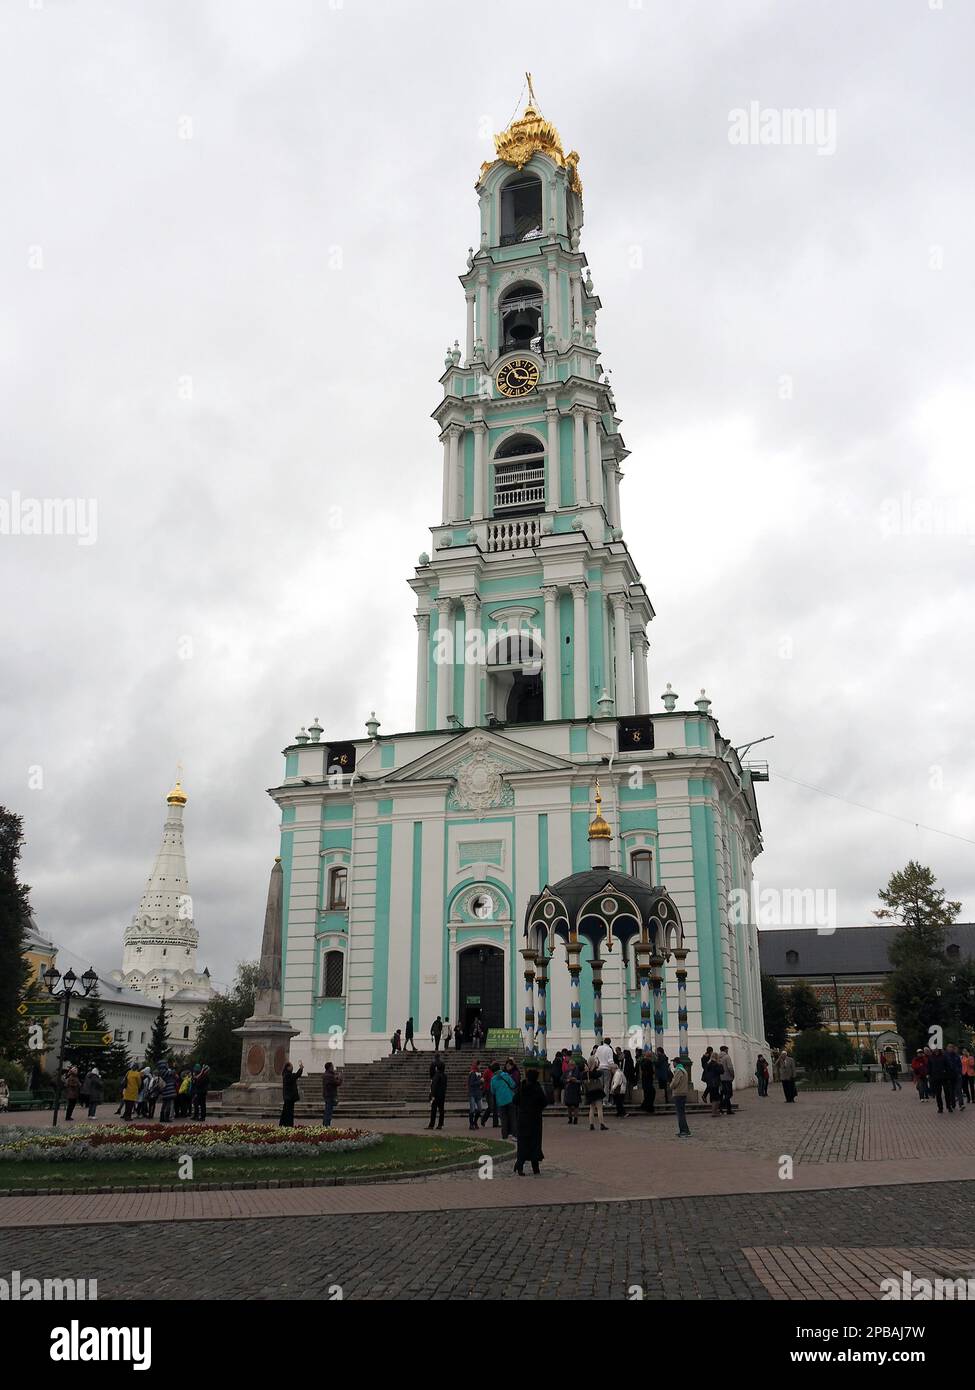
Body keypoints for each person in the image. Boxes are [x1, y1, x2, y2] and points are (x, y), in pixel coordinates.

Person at [513, 1067, 549, 1175]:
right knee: (535, 1143)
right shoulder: (537, 1088)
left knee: (523, 1142)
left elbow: (515, 1100)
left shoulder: (522, 1087)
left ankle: (520, 1165)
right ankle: (535, 1167)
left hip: (523, 1119)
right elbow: (544, 1102)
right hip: (535, 1119)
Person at [491, 1063, 518, 1139]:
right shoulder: (506, 1075)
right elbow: (513, 1085)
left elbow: (492, 1091)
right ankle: (515, 1135)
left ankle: (504, 1135)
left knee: (503, 1119)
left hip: (500, 1101)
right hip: (510, 1099)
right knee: (513, 1117)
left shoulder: (493, 1079)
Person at [586, 1054, 608, 1131]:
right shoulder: (595, 1072)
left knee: (591, 1108)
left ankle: (591, 1124)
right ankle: (601, 1124)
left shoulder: (587, 1073)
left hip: (590, 1091)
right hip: (596, 1091)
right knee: (599, 1108)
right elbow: (599, 1073)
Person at [671, 1055, 691, 1137]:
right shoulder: (684, 1070)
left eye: (673, 1062)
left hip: (678, 1093)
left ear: (676, 1062)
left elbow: (675, 1083)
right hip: (683, 1093)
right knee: (681, 1113)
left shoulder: (678, 1071)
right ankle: (685, 1130)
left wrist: (670, 1085)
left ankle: (683, 1130)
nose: (673, 1064)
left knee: (680, 1114)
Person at [279, 1060, 303, 1127]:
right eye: (291, 1066)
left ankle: (283, 1124)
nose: (292, 1067)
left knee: (286, 1111)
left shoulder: (286, 1074)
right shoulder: (287, 1075)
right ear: (288, 1067)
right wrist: (300, 1068)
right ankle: (287, 1124)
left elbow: (295, 1076)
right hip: (289, 1096)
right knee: (288, 1112)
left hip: (288, 1096)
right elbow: (296, 1075)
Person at [928, 1047, 951, 1113]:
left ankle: (949, 1106)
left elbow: (948, 1066)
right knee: (938, 1094)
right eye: (934, 1048)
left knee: (947, 1092)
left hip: (944, 1077)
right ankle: (940, 1108)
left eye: (937, 1048)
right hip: (935, 1077)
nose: (935, 1049)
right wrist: (929, 1074)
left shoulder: (944, 1057)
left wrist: (947, 1073)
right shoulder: (931, 1057)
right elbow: (929, 1067)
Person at [594, 1037, 614, 1102]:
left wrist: (597, 1064)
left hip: (599, 1069)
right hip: (607, 1069)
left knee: (600, 1085)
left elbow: (595, 1057)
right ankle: (605, 1100)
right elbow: (610, 1061)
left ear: (604, 1041)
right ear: (610, 1043)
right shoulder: (609, 1049)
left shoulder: (599, 1048)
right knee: (606, 1085)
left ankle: (599, 1099)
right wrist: (613, 1068)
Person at [703, 1052, 724, 1117]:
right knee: (716, 1098)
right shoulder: (716, 1064)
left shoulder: (708, 1064)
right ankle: (714, 1112)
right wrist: (720, 1064)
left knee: (712, 1097)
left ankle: (714, 1111)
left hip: (709, 1083)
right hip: (715, 1082)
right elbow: (721, 1071)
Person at [321, 1062, 341, 1127]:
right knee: (328, 1111)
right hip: (330, 1095)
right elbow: (337, 1083)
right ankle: (326, 1125)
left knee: (328, 1110)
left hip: (327, 1094)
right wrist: (340, 1078)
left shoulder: (327, 1075)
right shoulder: (329, 1076)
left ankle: (326, 1124)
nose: (333, 1068)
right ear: (329, 1067)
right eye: (332, 1066)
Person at [428, 1061, 447, 1129]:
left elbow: (434, 1085)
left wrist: (432, 1095)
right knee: (441, 1110)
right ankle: (440, 1124)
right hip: (442, 1095)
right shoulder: (444, 1075)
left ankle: (431, 1124)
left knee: (434, 1110)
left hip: (436, 1095)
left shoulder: (436, 1075)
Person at [945, 1044, 964, 1111]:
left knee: (959, 1090)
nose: (951, 1048)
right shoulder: (945, 1056)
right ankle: (953, 1103)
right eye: (949, 1047)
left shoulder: (956, 1056)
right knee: (951, 1091)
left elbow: (960, 1065)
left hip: (957, 1075)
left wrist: (959, 1072)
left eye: (952, 1047)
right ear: (947, 1048)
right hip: (949, 1076)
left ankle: (961, 1104)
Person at [718, 1045, 735, 1114]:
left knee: (723, 1093)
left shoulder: (718, 1057)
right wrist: (732, 1075)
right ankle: (721, 1105)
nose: (728, 1051)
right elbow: (730, 1067)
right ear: (725, 1050)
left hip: (720, 1078)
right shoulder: (727, 1057)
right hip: (727, 1078)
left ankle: (728, 1109)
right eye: (727, 1049)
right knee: (729, 1094)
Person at [467, 1061, 483, 1129]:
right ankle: (471, 1124)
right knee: (472, 1109)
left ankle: (475, 1122)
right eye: (479, 1065)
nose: (480, 1067)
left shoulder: (479, 1073)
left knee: (479, 1109)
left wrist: (482, 1085)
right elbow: (471, 1083)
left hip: (478, 1093)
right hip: (473, 1093)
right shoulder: (472, 1073)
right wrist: (480, 1082)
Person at [481, 1061, 497, 1127]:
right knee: (491, 1106)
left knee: (495, 1107)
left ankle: (495, 1123)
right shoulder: (487, 1071)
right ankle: (483, 1119)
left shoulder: (495, 1072)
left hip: (495, 1090)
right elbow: (483, 1079)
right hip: (489, 1090)